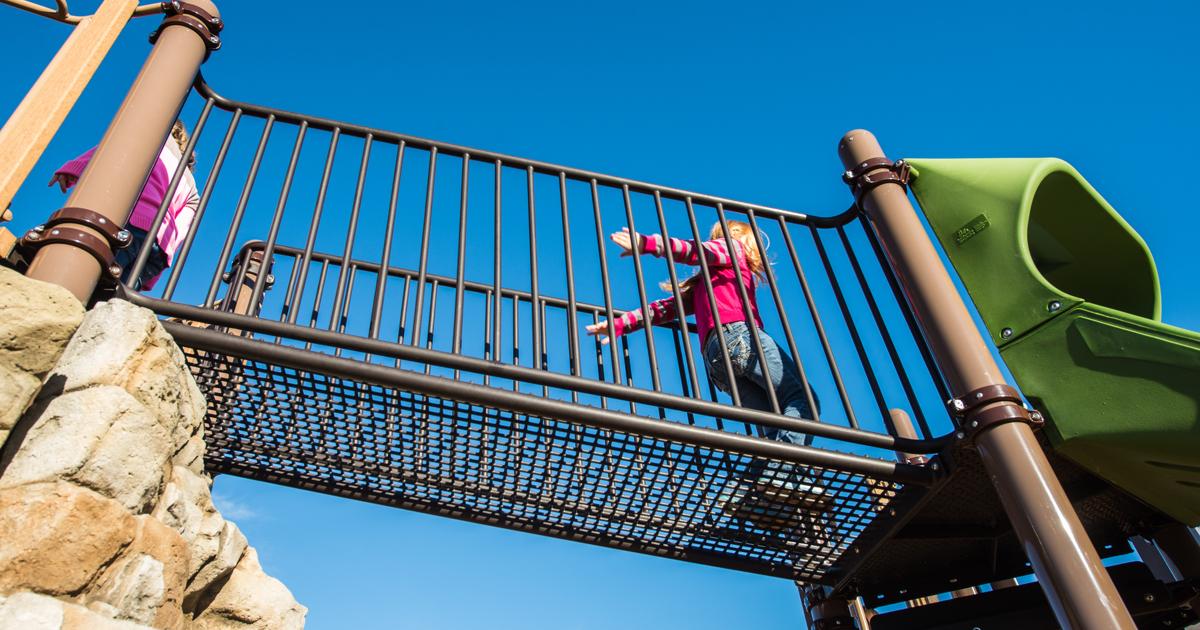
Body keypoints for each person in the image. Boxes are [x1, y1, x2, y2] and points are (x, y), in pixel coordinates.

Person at [586, 221, 829, 527]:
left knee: (772, 425)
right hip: (741, 337)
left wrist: (621, 324)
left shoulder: (707, 281)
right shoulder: (734, 250)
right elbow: (697, 250)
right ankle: (781, 476)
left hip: (716, 360)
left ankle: (744, 492)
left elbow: (665, 308)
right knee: (802, 398)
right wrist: (650, 243)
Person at [49, 120, 200, 290]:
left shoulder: (153, 138)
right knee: (118, 294)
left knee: (86, 278)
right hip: (156, 246)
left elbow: (112, 150)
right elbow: (179, 231)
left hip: (131, 222)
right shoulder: (190, 183)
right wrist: (154, 270)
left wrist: (73, 168)